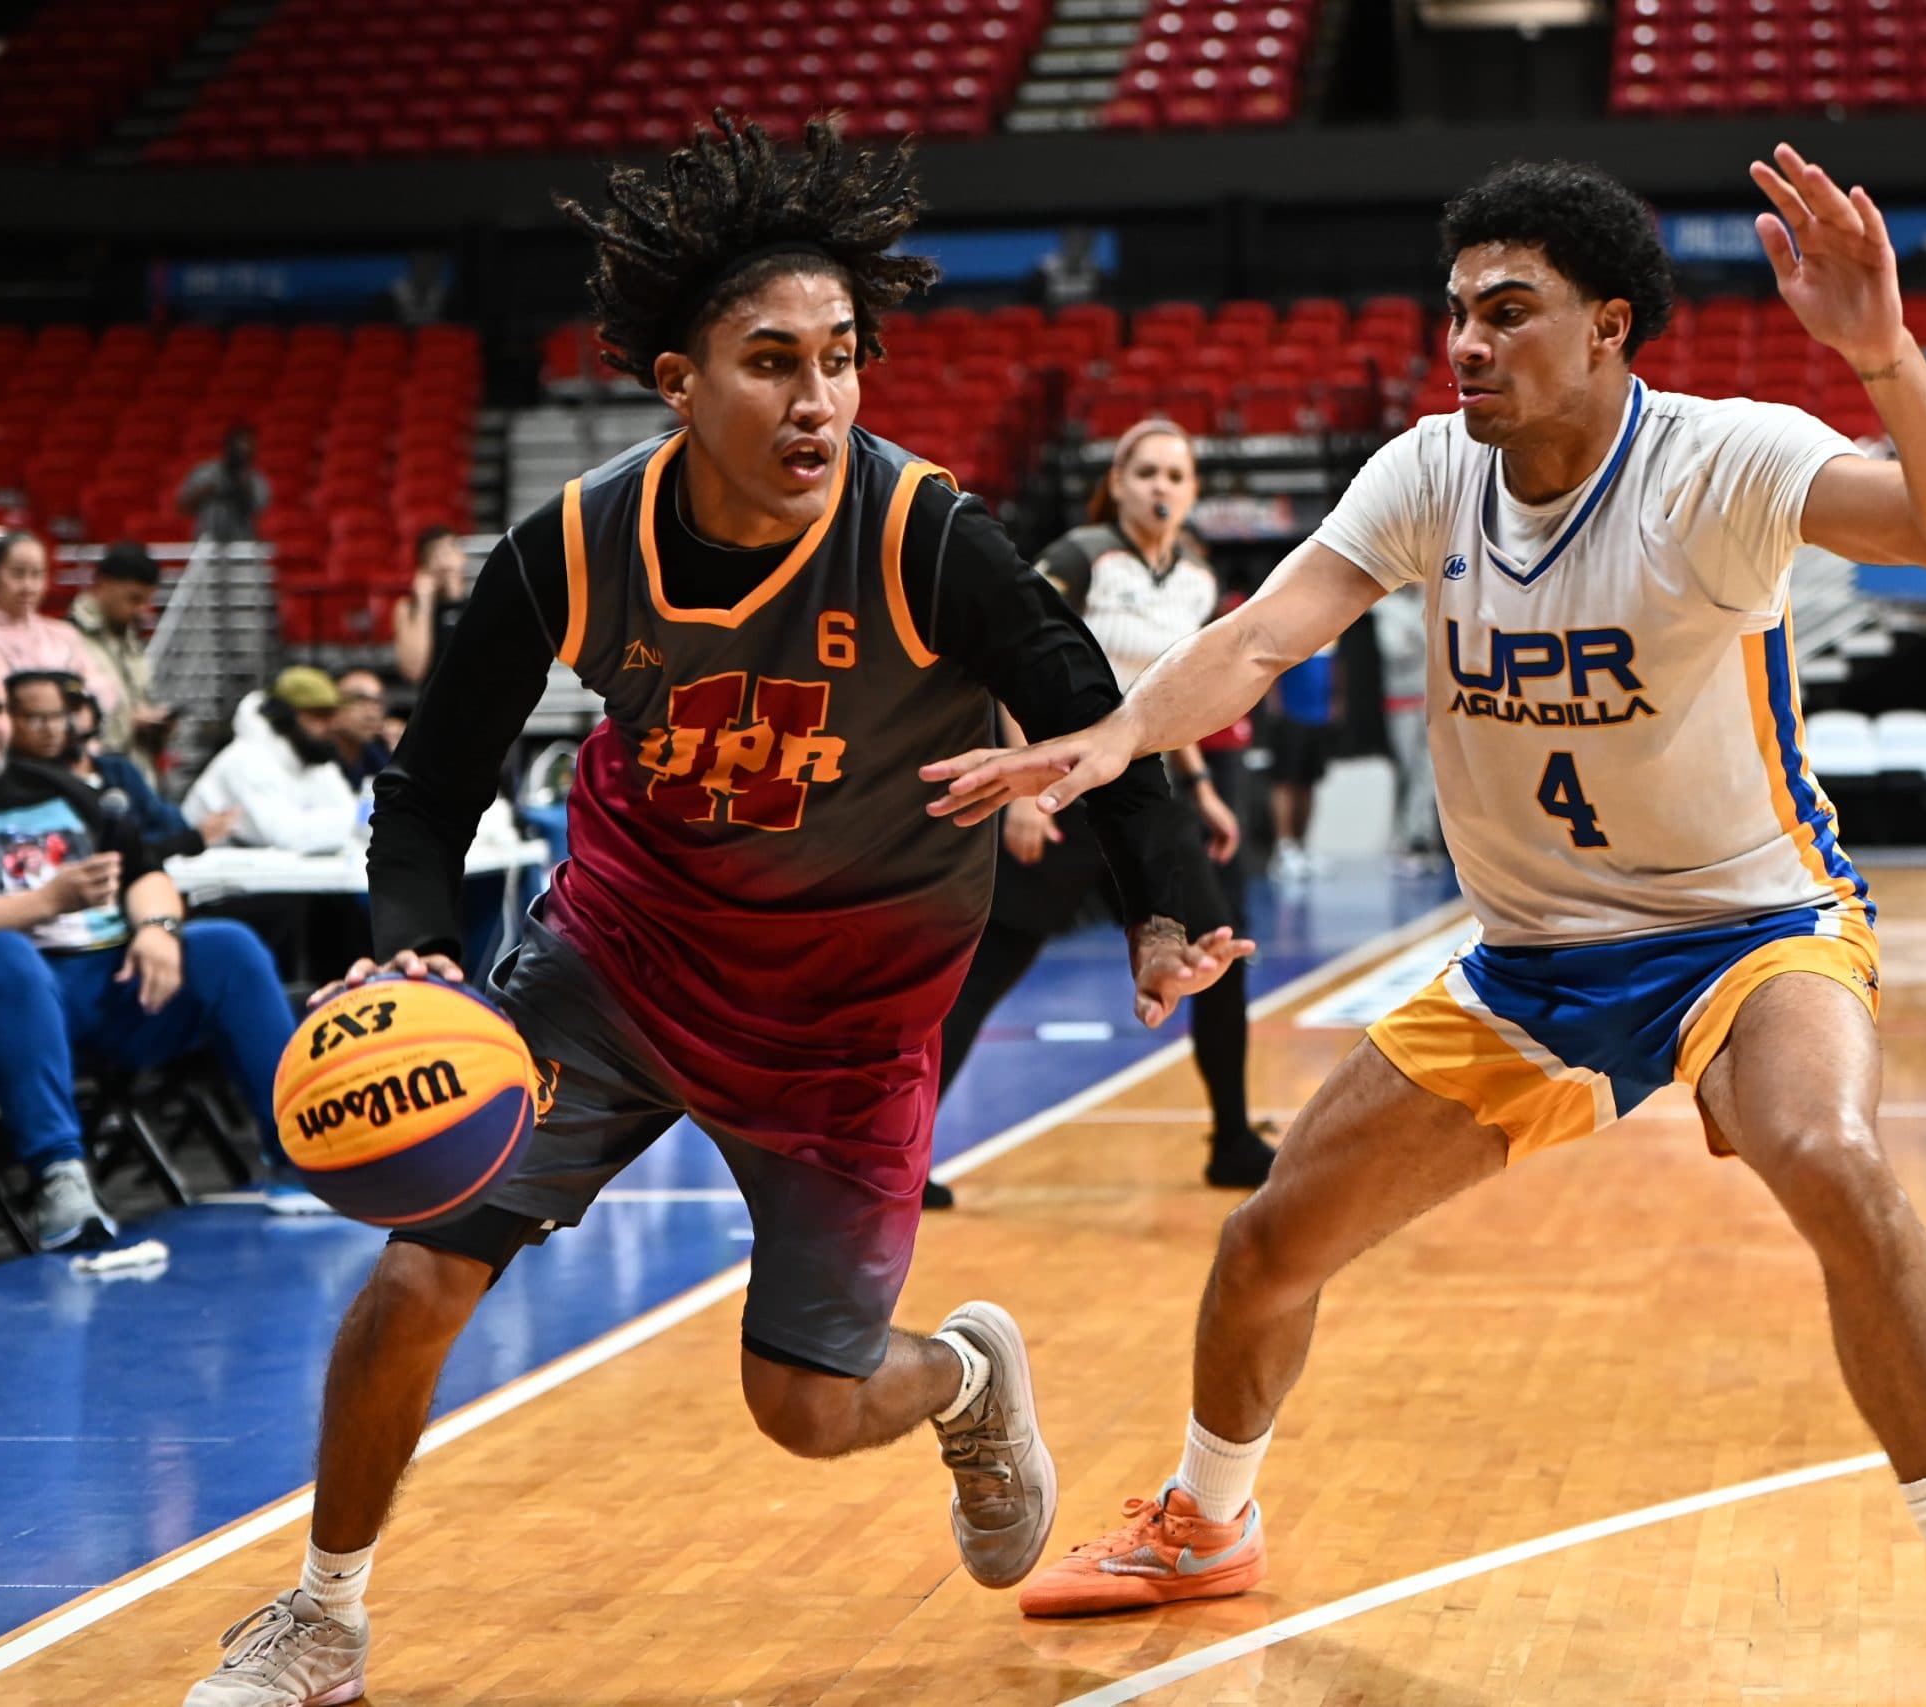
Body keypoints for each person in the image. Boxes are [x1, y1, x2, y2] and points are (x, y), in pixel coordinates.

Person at [926, 150, 1926, 1705]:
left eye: (1510, 311)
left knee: (1831, 1154)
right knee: (1263, 1246)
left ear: (1611, 328)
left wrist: (1880, 357)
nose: (1469, 344)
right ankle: (1207, 1522)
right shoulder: (1431, 473)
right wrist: (1107, 742)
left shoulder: (1723, 460)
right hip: (1530, 965)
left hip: (1750, 925)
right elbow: (1256, 637)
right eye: (1457, 312)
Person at [180, 114, 1246, 1707]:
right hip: (621, 955)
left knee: (804, 1405)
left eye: (839, 357)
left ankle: (961, 1377)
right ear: (677, 382)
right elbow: (432, 776)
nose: (816, 397)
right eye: (770, 361)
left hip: (851, 1015)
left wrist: (1165, 905)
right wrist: (407, 932)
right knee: (416, 1271)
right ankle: (322, 1616)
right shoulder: (569, 546)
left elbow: (1094, 709)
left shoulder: (923, 531)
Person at [930, 418, 1274, 1211]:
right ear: (1117, 484)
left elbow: (1167, 700)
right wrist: (1019, 789)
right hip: (1057, 790)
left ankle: (1231, 1141)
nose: (1161, 487)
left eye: (1176, 475)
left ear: (1191, 493)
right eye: (1146, 472)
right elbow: (1012, 661)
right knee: (986, 973)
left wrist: (1204, 786)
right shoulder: (1082, 557)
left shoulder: (1195, 573)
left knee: (1217, 956)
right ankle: (898, 1160)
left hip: (1146, 794)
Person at [0, 649, 297, 1250]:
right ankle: (60, 1180)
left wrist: (158, 927)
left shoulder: (56, 788)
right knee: (4, 956)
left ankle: (303, 1150)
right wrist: (43, 903)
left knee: (227, 948)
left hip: (107, 982)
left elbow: (145, 871)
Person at [4, 671, 227, 861]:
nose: (53, 727)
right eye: (37, 717)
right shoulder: (30, 780)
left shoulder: (118, 769)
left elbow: (170, 824)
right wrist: (187, 841)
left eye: (59, 714)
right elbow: (109, 855)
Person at [181, 667, 361, 855]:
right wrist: (342, 821)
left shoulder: (315, 759)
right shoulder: (246, 759)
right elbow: (288, 837)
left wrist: (336, 821)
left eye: (332, 715)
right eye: (318, 715)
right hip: (203, 876)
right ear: (286, 717)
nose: (331, 725)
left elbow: (360, 823)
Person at [0, 532, 107, 710]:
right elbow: (3, 700)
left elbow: (102, 689)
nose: (28, 587)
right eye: (18, 574)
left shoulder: (63, 633)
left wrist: (86, 712)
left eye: (37, 574)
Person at [64, 540, 173, 778]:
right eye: (133, 599)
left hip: (138, 773)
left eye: (146, 601)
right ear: (102, 584)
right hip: (98, 773)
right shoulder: (68, 639)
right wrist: (129, 722)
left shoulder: (131, 642)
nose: (141, 611)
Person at [1369, 580, 1442, 870]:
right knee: (1408, 769)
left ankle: (1421, 838)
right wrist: (1423, 633)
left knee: (1429, 771)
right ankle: (1402, 841)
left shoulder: (1431, 601)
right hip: (1402, 702)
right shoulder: (1387, 608)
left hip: (1432, 699)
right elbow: (1396, 650)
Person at [1264, 637, 1336, 883]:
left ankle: (1303, 846)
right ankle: (1283, 848)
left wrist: (1335, 702)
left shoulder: (1333, 628)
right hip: (1291, 715)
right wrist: (1276, 706)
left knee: (1309, 783)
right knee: (1285, 782)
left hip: (1319, 716)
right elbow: (1273, 668)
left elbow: (1335, 665)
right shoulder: (1294, 623)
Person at [390, 526, 467, 686]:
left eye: (449, 550)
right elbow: (414, 671)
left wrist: (456, 599)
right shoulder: (408, 609)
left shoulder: (477, 603)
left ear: (462, 558)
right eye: (435, 554)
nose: (443, 561)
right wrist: (424, 604)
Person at [176, 424, 271, 542]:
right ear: (228, 447)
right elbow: (183, 507)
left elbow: (259, 508)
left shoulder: (255, 479)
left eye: (246, 449)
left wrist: (242, 487)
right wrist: (207, 491)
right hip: (207, 542)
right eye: (238, 448)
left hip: (242, 543)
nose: (241, 453)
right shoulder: (206, 472)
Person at [331, 668, 393, 788]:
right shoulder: (313, 757)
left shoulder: (380, 756)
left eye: (378, 702)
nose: (372, 714)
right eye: (360, 700)